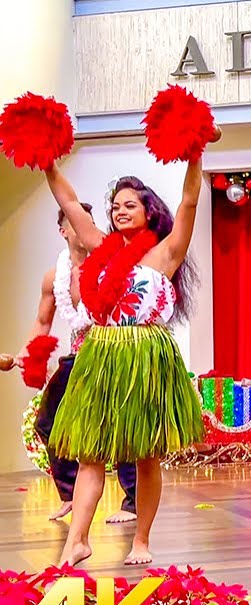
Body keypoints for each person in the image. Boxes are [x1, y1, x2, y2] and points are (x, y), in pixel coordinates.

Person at [42, 153, 209, 567]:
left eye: (129, 204)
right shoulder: (101, 247)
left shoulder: (166, 252)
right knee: (90, 453)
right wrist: (47, 163)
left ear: (148, 210)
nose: (119, 211)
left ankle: (142, 540)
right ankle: (77, 540)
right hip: (101, 354)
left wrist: (195, 155)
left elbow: (189, 201)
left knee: (146, 455)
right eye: (115, 206)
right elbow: (69, 203)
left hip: (145, 357)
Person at [19, 202, 139, 523]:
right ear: (63, 230)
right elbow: (42, 321)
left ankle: (133, 503)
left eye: (87, 220)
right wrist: (28, 356)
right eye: (75, 221)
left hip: (111, 354)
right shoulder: (54, 277)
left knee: (122, 427)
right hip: (78, 357)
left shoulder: (108, 266)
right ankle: (71, 494)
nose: (84, 226)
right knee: (48, 422)